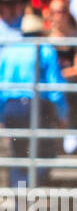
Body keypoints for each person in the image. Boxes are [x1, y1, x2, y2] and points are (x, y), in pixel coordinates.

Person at [0, 12, 68, 185]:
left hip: (12, 106)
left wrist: (2, 115)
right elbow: (55, 88)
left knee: (18, 152)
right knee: (45, 150)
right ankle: (33, 189)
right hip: (36, 105)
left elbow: (2, 85)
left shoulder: (9, 51)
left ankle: (20, 199)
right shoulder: (45, 49)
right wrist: (62, 115)